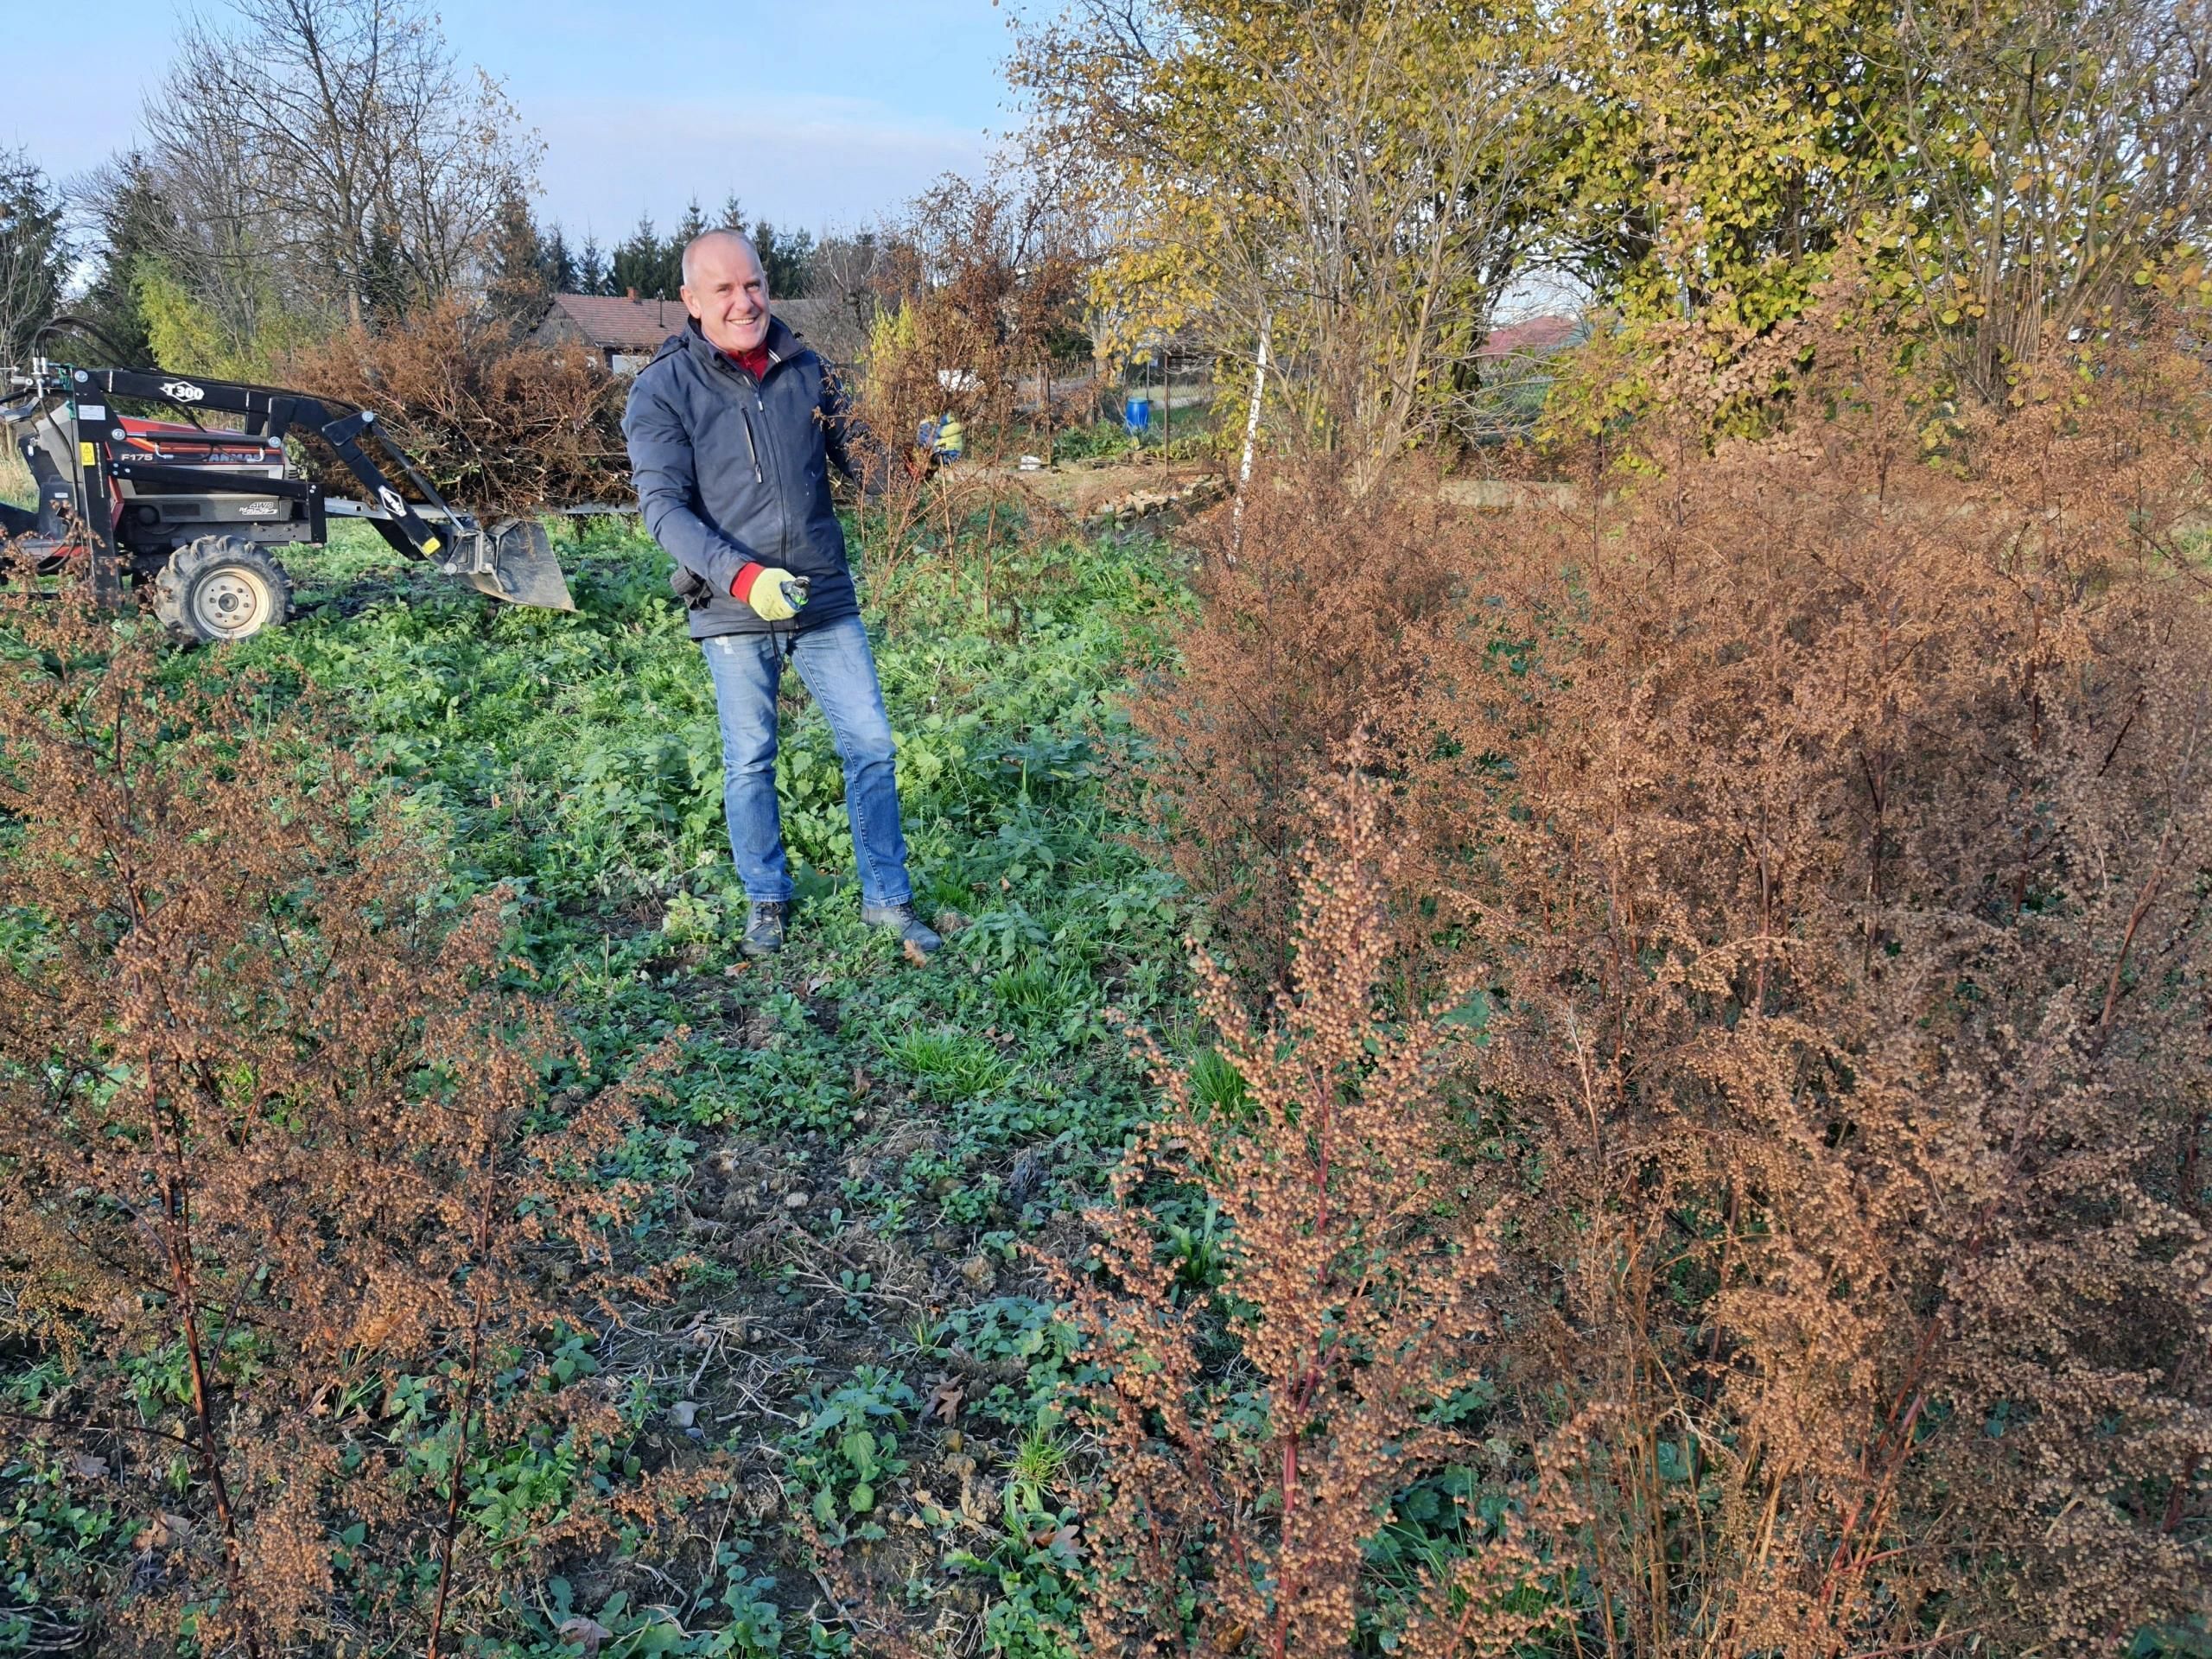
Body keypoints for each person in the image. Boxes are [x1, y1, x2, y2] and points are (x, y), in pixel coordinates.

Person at [622, 228, 940, 961]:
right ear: (692, 301)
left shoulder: (809, 369)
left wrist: (922, 459)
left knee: (871, 744)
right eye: (726, 289)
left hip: (823, 595)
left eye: (755, 283)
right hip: (734, 605)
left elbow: (869, 468)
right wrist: (742, 577)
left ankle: (888, 902)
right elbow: (662, 510)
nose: (745, 301)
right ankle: (767, 900)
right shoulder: (662, 390)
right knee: (751, 759)